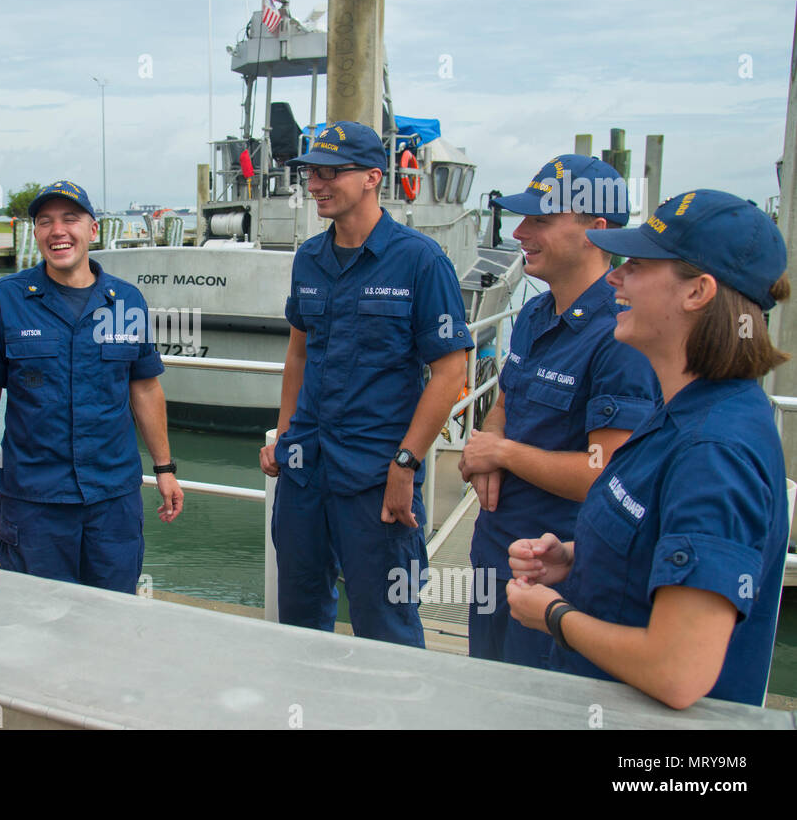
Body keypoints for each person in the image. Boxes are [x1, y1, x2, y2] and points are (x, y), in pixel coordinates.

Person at [507, 190, 790, 708]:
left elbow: (677, 670)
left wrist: (552, 614)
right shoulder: (681, 410)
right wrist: (574, 560)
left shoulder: (715, 451)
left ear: (697, 292)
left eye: (636, 265)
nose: (614, 277)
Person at [258, 122, 473, 646]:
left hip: (377, 475)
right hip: (307, 469)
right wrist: (285, 436)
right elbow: (299, 351)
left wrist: (406, 465)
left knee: (387, 624)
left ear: (374, 177)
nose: (315, 184)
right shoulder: (308, 258)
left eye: (331, 172)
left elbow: (451, 371)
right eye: (311, 173)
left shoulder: (421, 261)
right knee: (301, 616)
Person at [457, 156, 660, 667]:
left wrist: (498, 450)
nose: (520, 232)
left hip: (555, 569)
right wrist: (488, 450)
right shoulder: (533, 312)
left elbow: (605, 475)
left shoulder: (621, 337)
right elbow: (506, 399)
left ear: (596, 230)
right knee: (484, 695)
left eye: (540, 221)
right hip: (492, 554)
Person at [0, 180, 183, 593]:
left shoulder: (125, 301)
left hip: (112, 502)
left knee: (112, 616)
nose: (58, 231)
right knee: (33, 621)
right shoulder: (4, 300)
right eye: (45, 221)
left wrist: (164, 469)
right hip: (34, 503)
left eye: (71, 219)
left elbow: (144, 389)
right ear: (36, 233)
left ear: (93, 230)